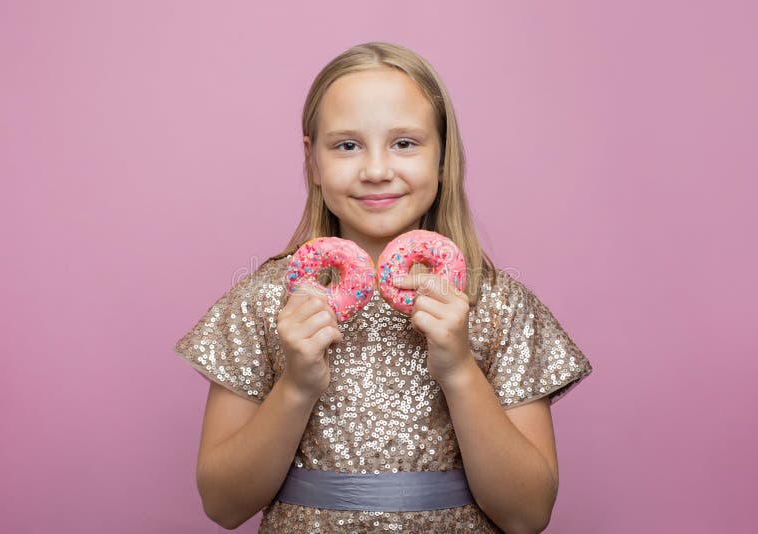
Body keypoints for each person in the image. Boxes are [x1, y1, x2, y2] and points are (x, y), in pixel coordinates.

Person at [173, 41, 594, 533]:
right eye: (347, 145)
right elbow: (223, 505)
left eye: (405, 143)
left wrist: (459, 370)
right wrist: (296, 385)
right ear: (312, 160)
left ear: (443, 156)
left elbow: (528, 515)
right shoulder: (266, 303)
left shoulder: (497, 306)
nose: (375, 171)